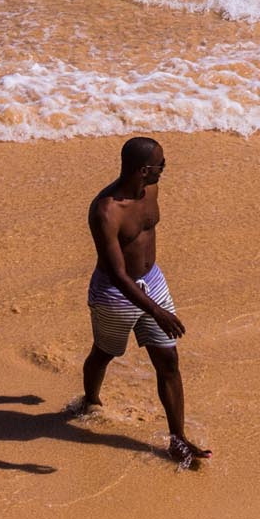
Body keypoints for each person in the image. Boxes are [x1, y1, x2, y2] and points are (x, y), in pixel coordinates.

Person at [79, 136, 212, 466]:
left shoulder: (150, 189)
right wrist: (157, 311)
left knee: (168, 361)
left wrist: (156, 305)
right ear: (142, 170)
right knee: (104, 352)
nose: (164, 170)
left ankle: (177, 439)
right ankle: (90, 400)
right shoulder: (106, 211)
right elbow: (117, 273)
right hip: (114, 293)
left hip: (152, 280)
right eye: (160, 166)